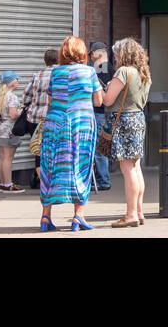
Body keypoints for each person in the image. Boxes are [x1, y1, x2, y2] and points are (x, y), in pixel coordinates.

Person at [37, 36, 103, 232]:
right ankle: (78, 216)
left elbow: (50, 101)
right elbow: (98, 101)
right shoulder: (89, 72)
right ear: (82, 53)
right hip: (81, 124)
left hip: (55, 124)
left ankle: (45, 217)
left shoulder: (55, 73)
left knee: (49, 167)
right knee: (81, 165)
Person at [102, 37, 151, 228]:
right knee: (135, 167)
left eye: (116, 53)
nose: (114, 57)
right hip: (138, 119)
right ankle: (139, 211)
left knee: (127, 168)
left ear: (123, 54)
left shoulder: (123, 72)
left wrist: (99, 89)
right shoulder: (143, 72)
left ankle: (130, 214)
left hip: (123, 121)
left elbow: (107, 100)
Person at [22, 48, 59, 189]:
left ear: (45, 61)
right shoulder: (61, 75)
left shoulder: (37, 75)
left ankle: (42, 180)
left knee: (39, 150)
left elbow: (26, 96)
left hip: (35, 119)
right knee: (54, 149)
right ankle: (52, 180)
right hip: (53, 119)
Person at [0, 71, 26, 192]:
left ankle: (3, 183)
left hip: (2, 129)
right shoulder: (12, 97)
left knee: (2, 157)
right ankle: (8, 184)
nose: (18, 82)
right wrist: (21, 110)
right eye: (17, 80)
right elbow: (13, 115)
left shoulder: (2, 95)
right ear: (13, 82)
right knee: (8, 158)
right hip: (10, 131)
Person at [88, 41, 113, 192]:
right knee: (103, 145)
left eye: (91, 54)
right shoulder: (112, 69)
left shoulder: (97, 70)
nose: (90, 57)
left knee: (99, 148)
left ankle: (103, 180)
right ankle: (103, 178)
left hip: (99, 113)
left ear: (97, 53)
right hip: (109, 113)